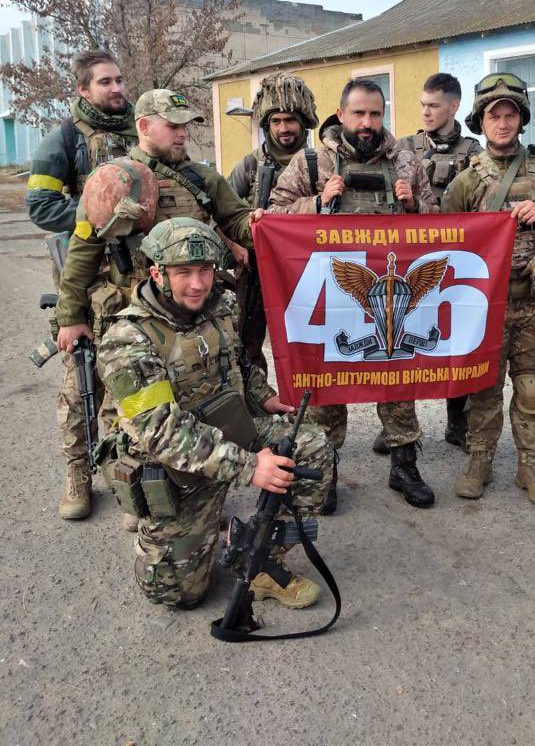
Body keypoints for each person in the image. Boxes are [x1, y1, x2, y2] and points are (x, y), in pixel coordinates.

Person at [96, 218, 331, 609]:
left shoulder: (221, 306)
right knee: (177, 594)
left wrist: (263, 397)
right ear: (157, 274)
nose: (197, 284)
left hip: (231, 430)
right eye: (183, 273)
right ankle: (179, 528)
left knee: (312, 445)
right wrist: (249, 467)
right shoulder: (126, 342)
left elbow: (238, 362)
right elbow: (162, 432)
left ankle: (262, 559)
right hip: (177, 467)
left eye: (204, 270)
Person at [53, 89, 259, 520]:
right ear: (145, 126)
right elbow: (83, 251)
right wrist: (70, 316)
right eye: (173, 125)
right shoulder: (114, 177)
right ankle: (110, 479)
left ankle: (196, 485)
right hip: (127, 312)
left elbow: (236, 219)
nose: (183, 134)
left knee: (192, 397)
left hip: (188, 313)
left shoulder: (203, 179)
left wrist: (258, 224)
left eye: (187, 126)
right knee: (113, 404)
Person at [268, 77, 439, 511]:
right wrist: (316, 202)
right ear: (341, 114)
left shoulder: (407, 161)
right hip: (332, 295)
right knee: (326, 386)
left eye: (375, 114)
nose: (367, 122)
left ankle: (404, 465)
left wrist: (415, 207)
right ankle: (325, 471)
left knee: (397, 377)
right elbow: (272, 214)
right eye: (359, 113)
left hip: (389, 297)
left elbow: (440, 224)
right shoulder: (312, 162)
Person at [442, 74, 535, 503]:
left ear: (522, 120)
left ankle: (530, 465)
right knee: (483, 389)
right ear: (480, 122)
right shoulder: (467, 180)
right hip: (487, 308)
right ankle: (479, 460)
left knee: (531, 391)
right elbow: (444, 234)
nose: (502, 124)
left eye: (510, 115)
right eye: (493, 116)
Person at [26, 49, 137, 520]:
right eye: (105, 82)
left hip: (134, 281)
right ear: (83, 89)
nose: (116, 88)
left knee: (132, 383)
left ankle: (126, 476)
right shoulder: (64, 139)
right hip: (85, 283)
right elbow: (40, 205)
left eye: (119, 80)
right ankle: (77, 475)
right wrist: (99, 212)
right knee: (81, 386)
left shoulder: (139, 131)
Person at [391, 72, 482, 454]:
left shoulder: (474, 152)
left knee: (455, 340)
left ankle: (457, 422)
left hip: (454, 258)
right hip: (410, 258)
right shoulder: (403, 148)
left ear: (454, 106)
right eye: (422, 105)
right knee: (403, 341)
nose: (426, 112)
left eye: (434, 105)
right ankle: (398, 426)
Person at [228, 74, 319, 376]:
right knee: (247, 343)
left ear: (303, 122)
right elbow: (223, 211)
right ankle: (257, 398)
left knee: (308, 341)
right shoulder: (250, 165)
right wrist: (236, 246)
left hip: (307, 268)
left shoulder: (320, 162)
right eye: (276, 121)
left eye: (290, 120)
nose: (283, 129)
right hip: (256, 268)